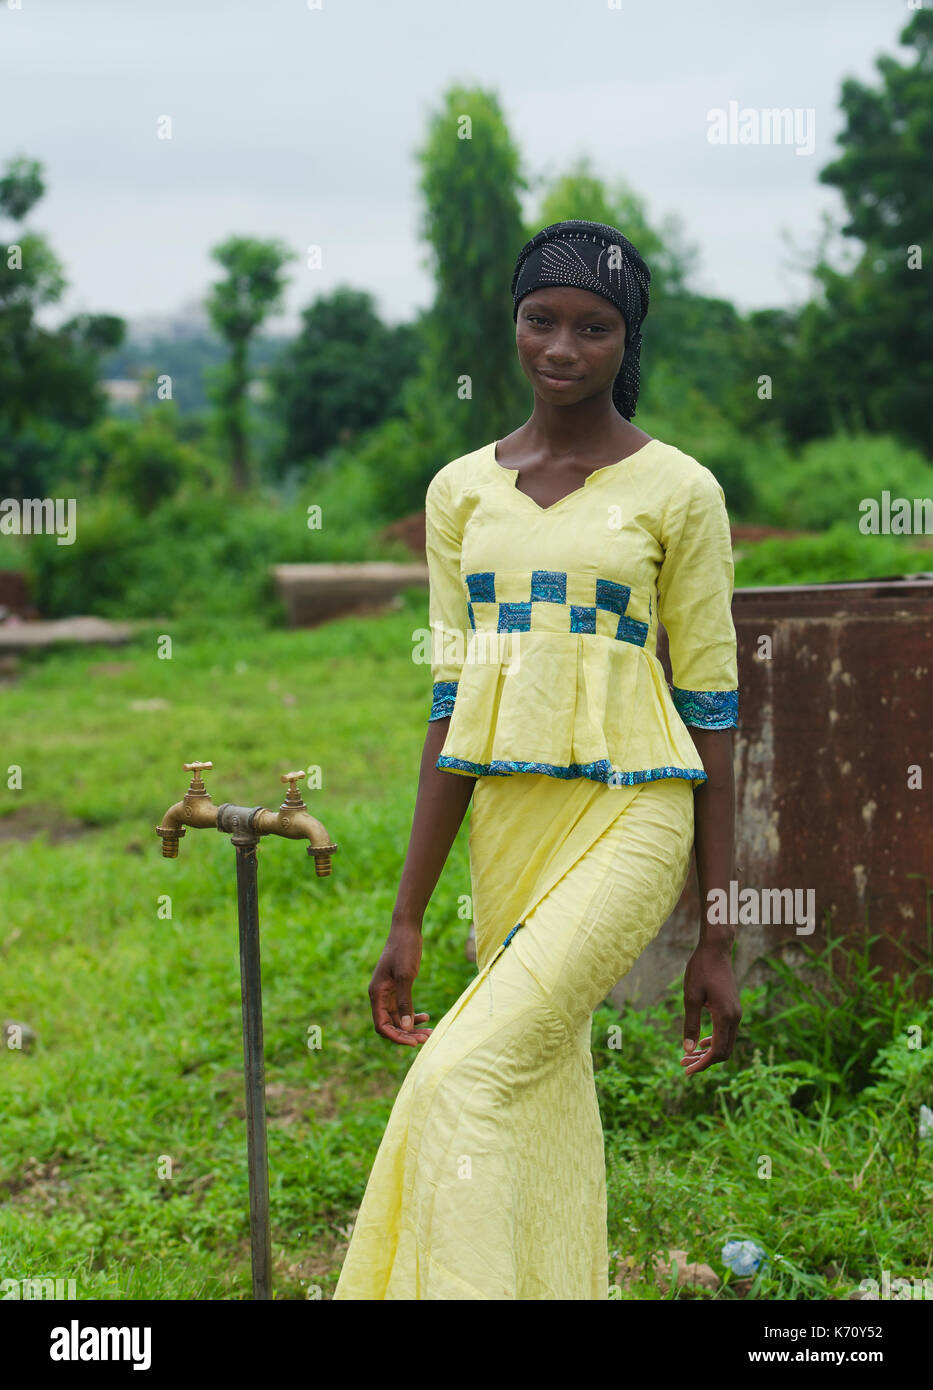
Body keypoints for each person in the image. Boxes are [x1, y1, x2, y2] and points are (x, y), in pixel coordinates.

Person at [332, 219, 741, 1301]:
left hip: (634, 813)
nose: (562, 346)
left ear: (626, 338)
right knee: (538, 1087)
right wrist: (407, 914)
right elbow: (449, 700)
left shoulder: (680, 492)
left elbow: (711, 704)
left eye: (593, 328)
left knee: (461, 1080)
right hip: (510, 826)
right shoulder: (459, 491)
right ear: (514, 326)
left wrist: (719, 932)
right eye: (541, 320)